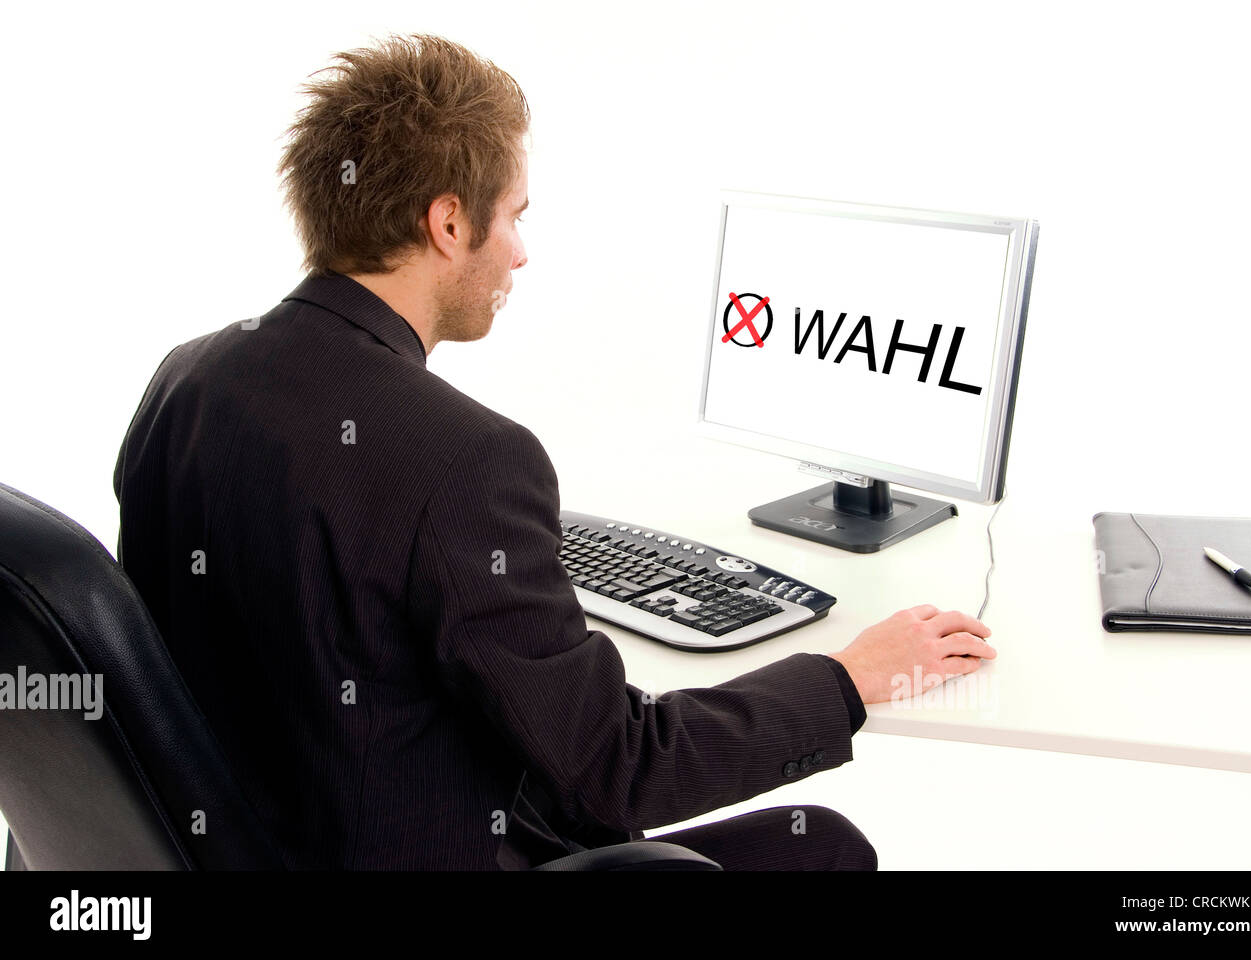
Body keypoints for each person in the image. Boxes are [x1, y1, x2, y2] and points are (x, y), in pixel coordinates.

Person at [113, 33, 996, 871]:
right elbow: (617, 770)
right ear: (449, 223)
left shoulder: (184, 384)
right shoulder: (466, 460)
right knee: (821, 847)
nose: (523, 253)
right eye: (514, 216)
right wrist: (846, 679)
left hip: (258, 847)